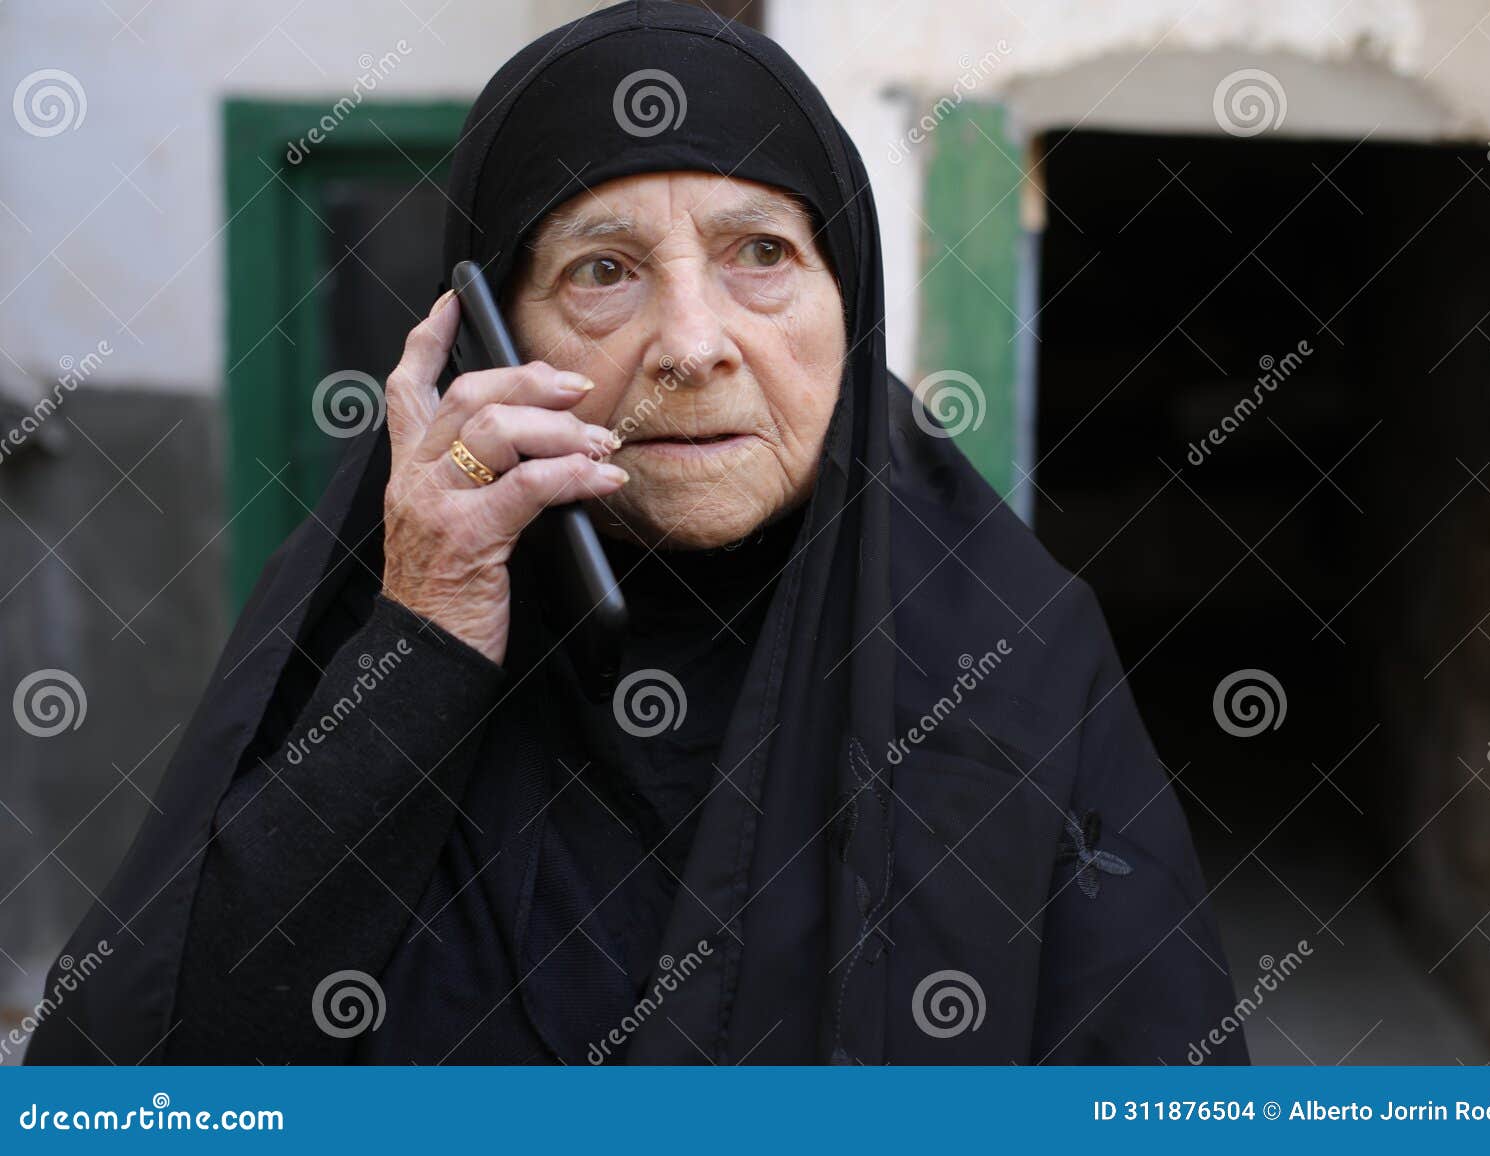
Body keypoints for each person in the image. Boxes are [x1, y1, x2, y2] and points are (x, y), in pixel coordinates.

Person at [26, 0, 1245, 1065]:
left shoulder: (1012, 660)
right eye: (602, 271)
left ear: (849, 302)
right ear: (491, 339)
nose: (692, 345)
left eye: (761, 254)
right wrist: (426, 637)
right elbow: (136, 1086)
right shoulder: (392, 614)